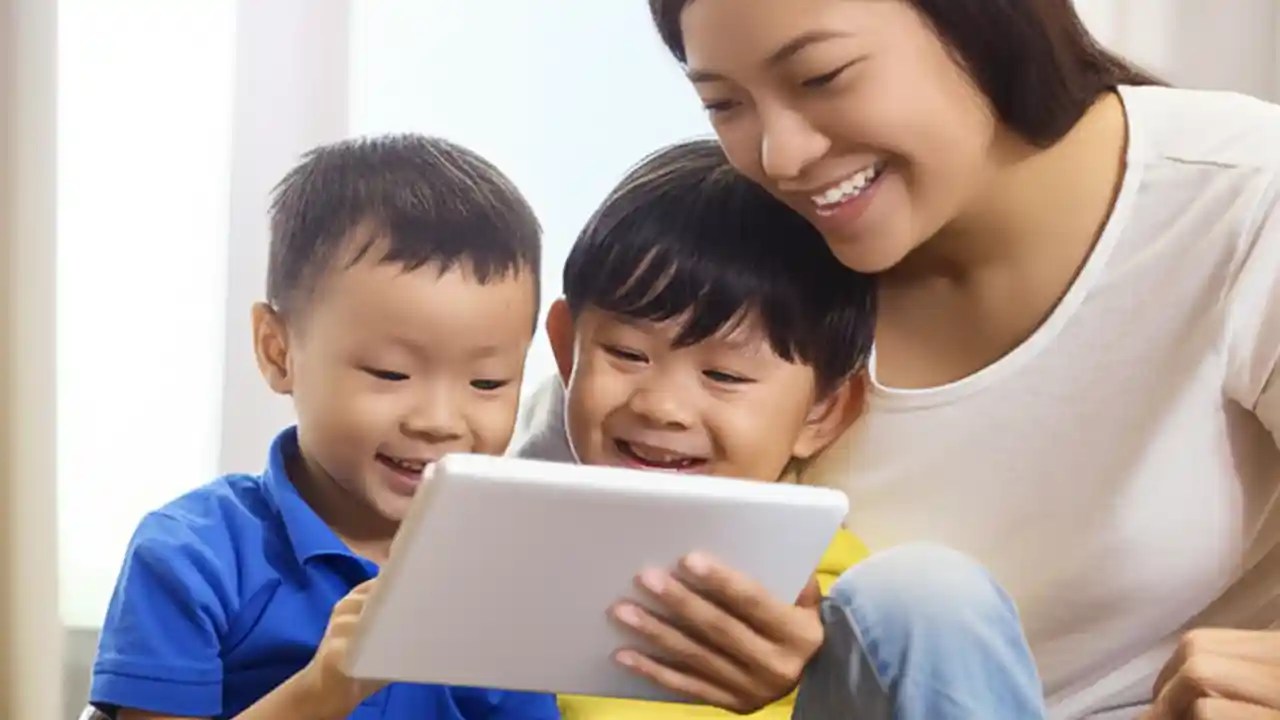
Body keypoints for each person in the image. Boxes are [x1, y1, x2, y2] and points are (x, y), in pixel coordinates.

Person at [528, 0, 1274, 718]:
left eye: (823, 76)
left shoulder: (1240, 200)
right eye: (724, 104)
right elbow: (502, 550)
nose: (778, 157)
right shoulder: (736, 263)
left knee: (918, 595)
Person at [512, 138, 1047, 719]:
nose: (662, 406)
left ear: (822, 413)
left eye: (723, 375)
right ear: (567, 351)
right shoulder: (503, 554)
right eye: (627, 354)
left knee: (930, 593)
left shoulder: (839, 596)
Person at [87, 135, 560, 720]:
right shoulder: (192, 556)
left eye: (487, 382)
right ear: (278, 351)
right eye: (390, 373)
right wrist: (322, 691)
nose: (440, 422)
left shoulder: (504, 578)